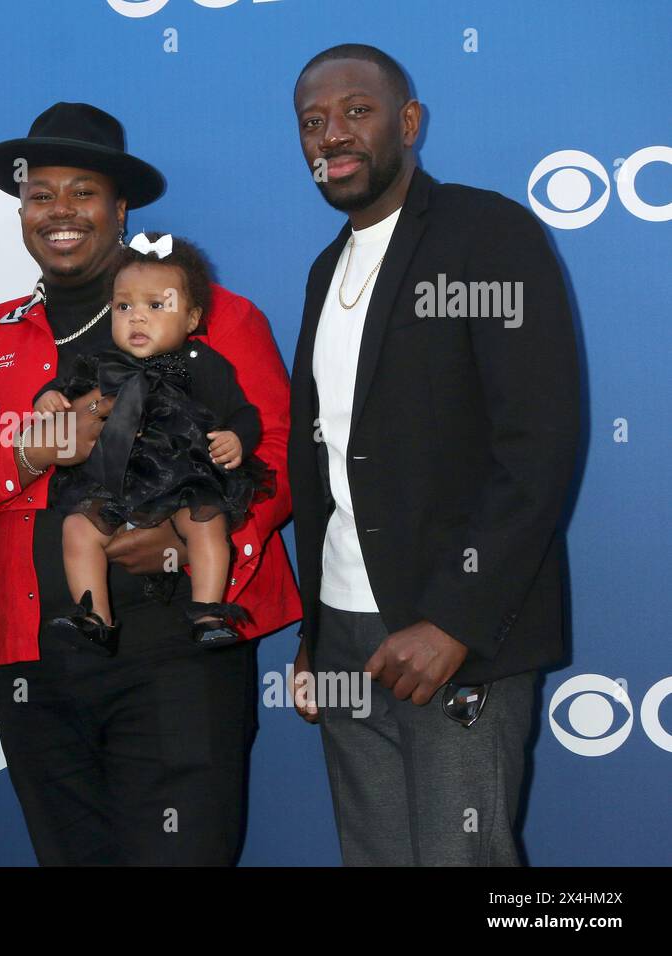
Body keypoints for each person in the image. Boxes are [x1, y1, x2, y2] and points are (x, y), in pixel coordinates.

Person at [0, 102, 301, 865]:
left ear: (121, 209)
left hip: (178, 660)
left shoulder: (215, 319)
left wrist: (192, 540)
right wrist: (27, 456)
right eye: (40, 193)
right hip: (39, 669)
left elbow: (279, 456)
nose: (60, 212)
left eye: (83, 192)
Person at [287, 45, 580, 865]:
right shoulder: (325, 270)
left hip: (450, 632)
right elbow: (326, 466)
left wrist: (457, 616)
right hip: (344, 632)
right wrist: (314, 629)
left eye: (356, 111)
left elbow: (538, 443)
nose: (332, 136)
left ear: (409, 123)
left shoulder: (487, 234)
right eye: (313, 122)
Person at [35, 232, 273, 652]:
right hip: (117, 481)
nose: (137, 318)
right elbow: (64, 386)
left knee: (205, 524)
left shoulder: (203, 364)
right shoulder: (101, 361)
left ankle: (208, 610)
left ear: (193, 319)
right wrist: (48, 397)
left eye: (156, 306)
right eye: (124, 306)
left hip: (184, 479)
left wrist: (237, 438)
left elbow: (245, 413)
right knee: (77, 529)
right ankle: (94, 615)